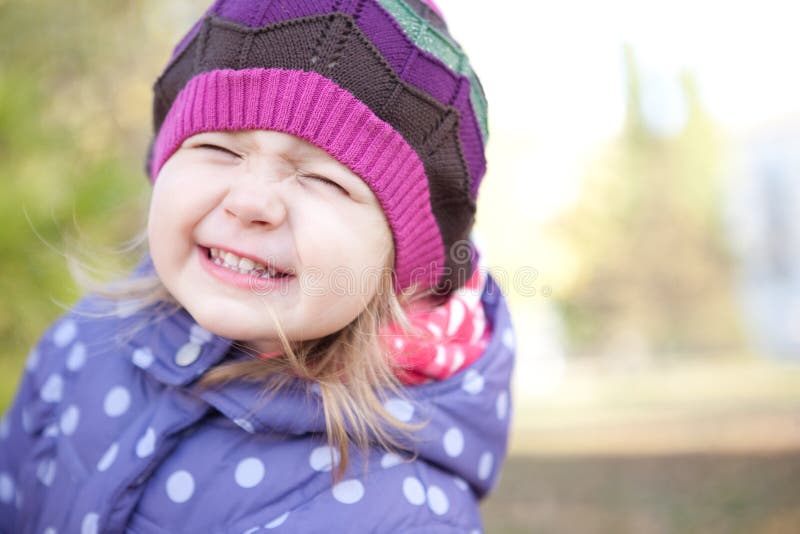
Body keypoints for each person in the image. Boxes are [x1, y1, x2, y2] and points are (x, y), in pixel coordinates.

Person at [0, 0, 516, 532]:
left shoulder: (406, 514)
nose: (250, 202)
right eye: (219, 148)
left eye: (324, 179)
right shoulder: (84, 346)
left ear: (402, 267)